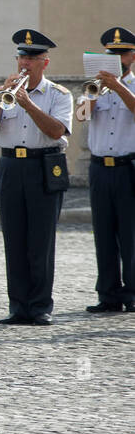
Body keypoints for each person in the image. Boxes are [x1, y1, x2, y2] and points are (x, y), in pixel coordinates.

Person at [0, 29, 73, 326]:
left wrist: (28, 104)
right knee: (14, 237)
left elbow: (57, 131)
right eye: (22, 57)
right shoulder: (1, 93)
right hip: (10, 166)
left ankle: (41, 305)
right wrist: (0, 99)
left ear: (44, 62)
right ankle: (18, 305)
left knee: (41, 239)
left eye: (32, 58)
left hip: (43, 165)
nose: (25, 63)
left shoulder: (58, 95)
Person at [82, 26, 135, 313]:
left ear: (132, 56)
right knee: (103, 232)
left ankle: (133, 292)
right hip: (100, 168)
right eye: (110, 54)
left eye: (121, 54)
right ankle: (109, 293)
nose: (116, 59)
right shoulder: (94, 88)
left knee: (131, 233)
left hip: (129, 167)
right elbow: (80, 118)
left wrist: (119, 87)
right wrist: (94, 94)